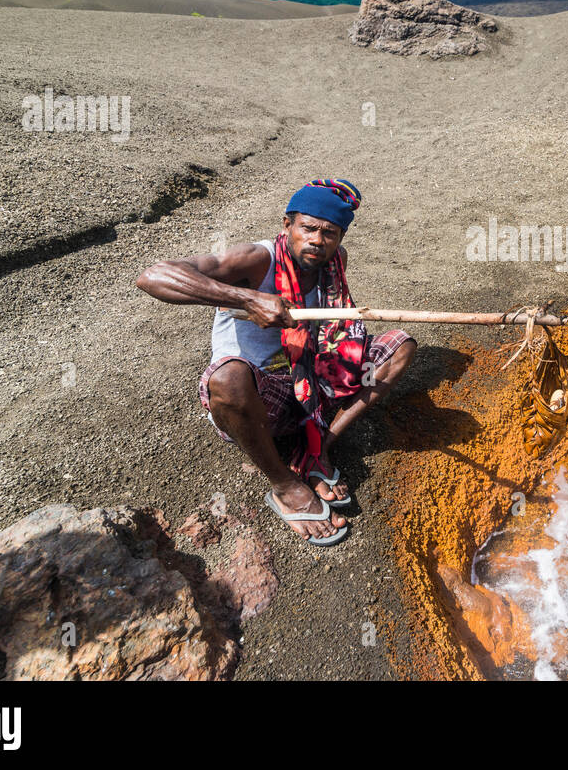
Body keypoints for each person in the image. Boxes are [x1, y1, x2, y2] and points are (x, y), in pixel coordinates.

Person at [136, 178, 416, 545]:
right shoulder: (257, 260)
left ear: (341, 238)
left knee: (400, 348)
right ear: (288, 225)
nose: (317, 240)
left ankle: (318, 449)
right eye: (308, 228)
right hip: (260, 398)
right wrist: (245, 298)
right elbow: (152, 277)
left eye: (330, 233)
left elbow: (337, 331)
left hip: (313, 381)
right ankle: (285, 484)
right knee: (227, 378)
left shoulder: (334, 263)